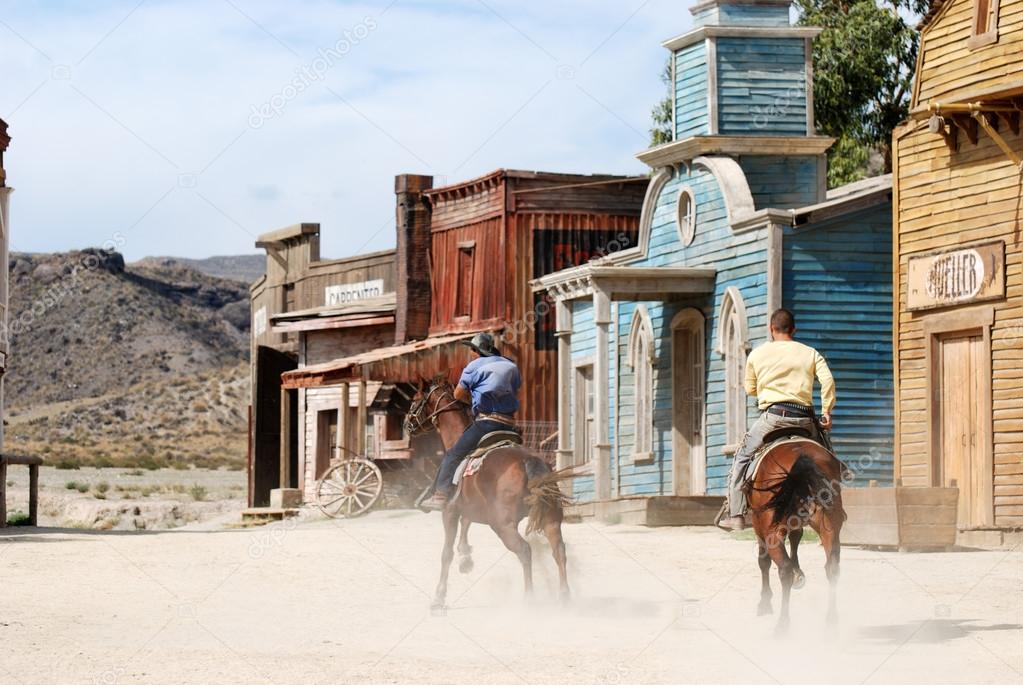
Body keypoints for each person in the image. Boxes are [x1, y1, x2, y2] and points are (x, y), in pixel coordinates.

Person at [719, 308, 836, 531]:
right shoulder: (810, 352)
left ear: (771, 329)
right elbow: (828, 380)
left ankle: (735, 513)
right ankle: (833, 506)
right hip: (805, 419)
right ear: (794, 329)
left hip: (773, 418)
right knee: (828, 457)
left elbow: (750, 388)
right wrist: (826, 411)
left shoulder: (757, 354)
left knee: (742, 457)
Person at [420, 332, 522, 511]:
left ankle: (441, 495)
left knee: (453, 454)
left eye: (472, 350)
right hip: (510, 424)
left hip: (486, 423)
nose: (471, 353)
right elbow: (515, 388)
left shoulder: (473, 366)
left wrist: (472, 400)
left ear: (476, 351)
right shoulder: (510, 365)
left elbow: (457, 394)